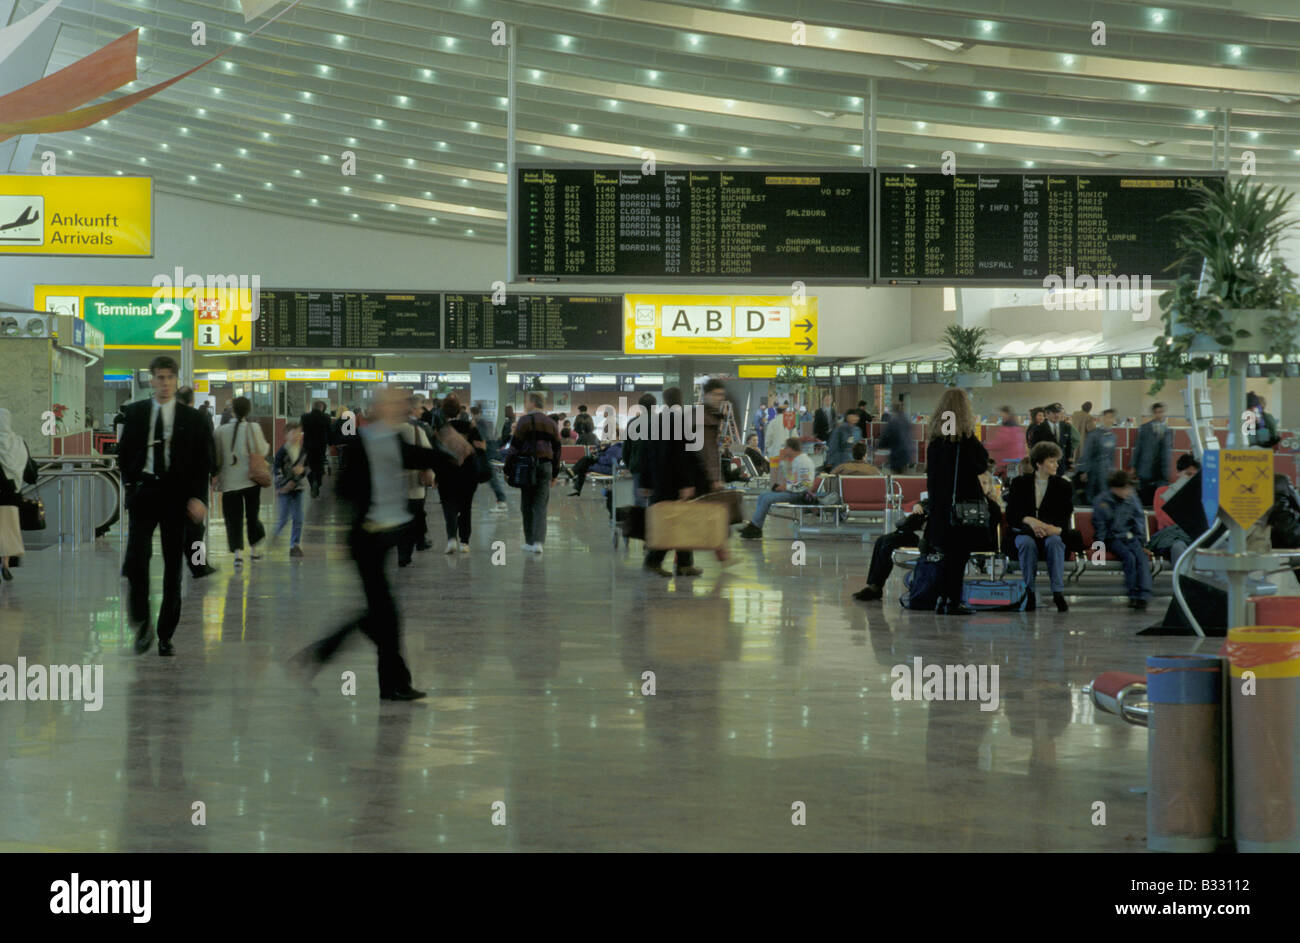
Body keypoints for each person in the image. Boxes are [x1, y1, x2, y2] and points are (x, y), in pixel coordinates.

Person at [289, 388, 452, 701]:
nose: (402, 408)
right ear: (380, 408)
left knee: (379, 616)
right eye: (395, 403)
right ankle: (392, 683)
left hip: (387, 536)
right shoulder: (361, 443)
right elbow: (340, 491)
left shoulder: (394, 439)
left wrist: (454, 455)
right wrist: (316, 537)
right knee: (386, 616)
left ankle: (332, 661)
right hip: (365, 541)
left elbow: (422, 457)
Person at [118, 356, 213, 656]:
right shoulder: (135, 414)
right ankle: (141, 622)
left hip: (176, 497)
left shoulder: (193, 419)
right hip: (145, 493)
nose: (165, 384)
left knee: (174, 566)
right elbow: (123, 454)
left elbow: (203, 462)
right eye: (160, 378)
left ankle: (165, 634)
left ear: (176, 380)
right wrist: (132, 484)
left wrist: (199, 498)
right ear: (152, 380)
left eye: (170, 378)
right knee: (137, 560)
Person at [924, 387, 989, 615]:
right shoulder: (967, 442)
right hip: (962, 509)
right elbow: (982, 463)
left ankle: (941, 598)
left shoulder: (935, 442)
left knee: (944, 556)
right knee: (958, 556)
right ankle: (954, 600)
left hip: (940, 508)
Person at [642, 386, 711, 575]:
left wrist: (646, 482)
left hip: (661, 481)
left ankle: (684, 563)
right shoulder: (681, 421)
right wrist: (687, 483)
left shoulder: (656, 421)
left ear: (665, 401)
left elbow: (649, 455)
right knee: (676, 522)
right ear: (681, 399)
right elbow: (684, 455)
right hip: (676, 483)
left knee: (679, 521)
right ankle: (656, 561)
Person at [1004, 442, 1074, 612]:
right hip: (1024, 531)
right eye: (1052, 461)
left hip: (1051, 532)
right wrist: (1030, 521)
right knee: (1027, 544)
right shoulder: (1020, 483)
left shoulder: (1063, 486)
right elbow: (1012, 515)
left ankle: (1058, 592)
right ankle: (1029, 591)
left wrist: (1047, 527)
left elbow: (1064, 517)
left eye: (1056, 461)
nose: (1056, 465)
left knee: (1055, 542)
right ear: (1039, 463)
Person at [214, 396, 270, 567]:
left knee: (233, 518)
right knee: (252, 516)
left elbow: (217, 457)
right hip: (251, 480)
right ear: (248, 410)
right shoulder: (254, 428)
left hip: (229, 482)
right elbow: (263, 450)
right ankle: (254, 551)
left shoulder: (220, 431)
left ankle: (237, 555)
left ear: (232, 410)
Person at [508, 393, 561, 553]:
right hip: (545, 466)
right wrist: (555, 473)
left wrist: (508, 469)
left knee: (527, 504)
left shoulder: (524, 421)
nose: (525, 405)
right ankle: (539, 543)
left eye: (526, 402)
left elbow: (514, 447)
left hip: (527, 466)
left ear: (532, 403)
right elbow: (557, 449)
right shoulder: (551, 422)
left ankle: (530, 541)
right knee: (540, 505)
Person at [176, 386, 219, 579]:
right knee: (196, 527)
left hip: (171, 482)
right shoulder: (200, 418)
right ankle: (198, 565)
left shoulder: (167, 418)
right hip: (196, 482)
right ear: (192, 400)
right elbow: (207, 450)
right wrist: (214, 472)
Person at [1094, 470, 1152, 609]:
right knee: (1129, 558)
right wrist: (1099, 547)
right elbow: (1100, 526)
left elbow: (1138, 521)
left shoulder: (1132, 499)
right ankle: (1132, 594)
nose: (1128, 491)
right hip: (1112, 538)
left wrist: (1141, 541)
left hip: (1129, 536)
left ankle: (1143, 595)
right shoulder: (1103, 502)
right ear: (1115, 489)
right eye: (1125, 488)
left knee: (1141, 557)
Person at [853, 496, 928, 601]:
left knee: (888, 543)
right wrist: (918, 505)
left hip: (929, 534)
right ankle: (874, 585)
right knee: (881, 541)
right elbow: (926, 502)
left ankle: (876, 587)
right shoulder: (938, 493)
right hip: (918, 530)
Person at [738, 437, 815, 539]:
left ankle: (755, 528)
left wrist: (786, 487)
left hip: (801, 494)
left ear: (791, 448)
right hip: (793, 491)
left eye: (786, 448)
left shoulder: (804, 461)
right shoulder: (796, 460)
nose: (784, 450)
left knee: (767, 498)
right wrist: (784, 464)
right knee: (763, 495)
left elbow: (806, 485)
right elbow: (790, 478)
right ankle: (755, 526)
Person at [435, 395, 483, 553]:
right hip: (468, 473)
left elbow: (434, 452)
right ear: (459, 410)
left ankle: (451, 540)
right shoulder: (469, 427)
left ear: (443, 411)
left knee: (449, 506)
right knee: (466, 507)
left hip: (446, 473)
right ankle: (464, 542)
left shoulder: (440, 431)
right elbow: (481, 448)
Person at [0, 408, 37, 582]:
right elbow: (30, 472)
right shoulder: (18, 442)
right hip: (12, 495)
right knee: (9, 530)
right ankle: (5, 563)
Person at [1148, 454, 1200, 565]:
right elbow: (1165, 520)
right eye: (1188, 474)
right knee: (1178, 546)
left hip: (1193, 537)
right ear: (1178, 473)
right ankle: (1183, 580)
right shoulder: (1163, 492)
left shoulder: (1200, 494)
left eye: (1194, 476)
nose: (1191, 479)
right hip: (1170, 537)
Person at [272, 421, 309, 557]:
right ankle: (275, 534)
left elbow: (305, 469)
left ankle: (295, 545)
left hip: (298, 489)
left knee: (298, 517)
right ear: (286, 435)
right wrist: (281, 486)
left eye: (298, 433)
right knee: (283, 517)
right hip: (284, 491)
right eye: (292, 433)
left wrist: (302, 471)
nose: (296, 436)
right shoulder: (281, 452)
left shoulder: (303, 451)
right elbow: (276, 471)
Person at [1132, 402, 1173, 506]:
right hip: (1146, 468)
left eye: (1161, 412)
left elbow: (1168, 451)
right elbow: (1138, 448)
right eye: (1157, 412)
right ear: (1153, 414)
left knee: (1160, 501)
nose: (1159, 415)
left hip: (1162, 471)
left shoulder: (1168, 430)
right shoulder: (1144, 428)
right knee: (1145, 499)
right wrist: (1133, 466)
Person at [470, 404, 508, 512]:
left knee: (491, 478)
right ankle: (501, 500)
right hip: (487, 453)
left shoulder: (480, 423)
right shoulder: (485, 422)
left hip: (485, 455)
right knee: (482, 477)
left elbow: (482, 441)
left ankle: (501, 501)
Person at [1079, 408, 1119, 504]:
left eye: (1112, 418)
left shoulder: (1113, 436)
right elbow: (1087, 453)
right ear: (1102, 418)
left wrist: (1113, 470)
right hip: (1094, 469)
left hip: (1108, 469)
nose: (1110, 420)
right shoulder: (1093, 434)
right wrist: (1084, 470)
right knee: (1092, 495)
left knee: (1106, 494)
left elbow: (1112, 455)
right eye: (1108, 417)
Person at [300, 400, 332, 498]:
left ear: (312, 407)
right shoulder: (326, 417)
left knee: (309, 465)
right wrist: (330, 442)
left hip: (308, 445)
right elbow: (329, 431)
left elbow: (302, 429)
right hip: (321, 446)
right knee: (319, 466)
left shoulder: (304, 417)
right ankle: (317, 483)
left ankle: (312, 482)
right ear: (322, 408)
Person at [983, 406, 1025, 473]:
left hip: (1007, 461)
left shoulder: (1007, 429)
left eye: (1002, 415)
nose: (1001, 417)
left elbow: (999, 444)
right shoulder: (1017, 428)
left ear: (1007, 415)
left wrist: (985, 445)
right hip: (1016, 460)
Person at [877, 404, 914, 474]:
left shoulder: (893, 421)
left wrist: (879, 446)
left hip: (897, 454)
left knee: (897, 475)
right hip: (907, 453)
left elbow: (885, 437)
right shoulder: (906, 420)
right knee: (903, 474)